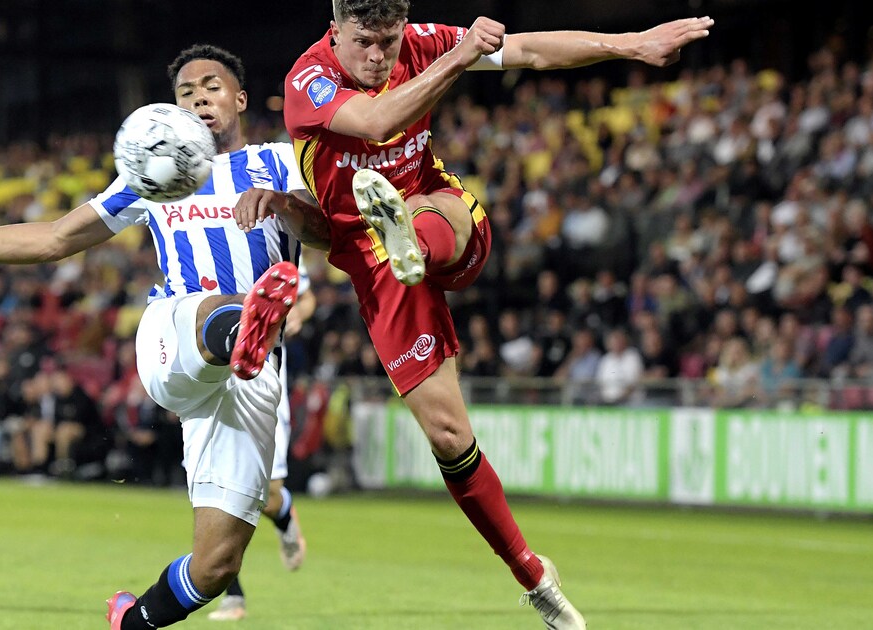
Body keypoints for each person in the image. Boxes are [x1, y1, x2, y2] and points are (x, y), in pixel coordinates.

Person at [232, 2, 714, 627]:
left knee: (434, 212)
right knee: (450, 438)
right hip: (374, 267)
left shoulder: (422, 43)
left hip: (439, 215)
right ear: (334, 28)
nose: (378, 56)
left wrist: (630, 45)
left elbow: (535, 51)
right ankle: (533, 574)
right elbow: (375, 123)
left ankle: (413, 238)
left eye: (388, 41)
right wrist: (288, 208)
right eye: (364, 43)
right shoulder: (309, 80)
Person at [0, 45, 312, 630]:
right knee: (219, 309)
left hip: (251, 382)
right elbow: (55, 237)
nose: (198, 99)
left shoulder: (284, 163)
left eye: (211, 87)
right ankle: (241, 323)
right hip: (175, 337)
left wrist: (287, 206)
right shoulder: (156, 175)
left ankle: (131, 622)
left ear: (240, 99)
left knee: (216, 565)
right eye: (185, 93)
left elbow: (336, 238)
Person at [208, 266, 314, 622]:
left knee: (265, 495)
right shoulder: (197, 245)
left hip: (262, 385)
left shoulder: (269, 242)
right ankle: (232, 596)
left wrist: (298, 311)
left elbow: (306, 294)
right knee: (212, 492)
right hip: (210, 388)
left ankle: (283, 514)